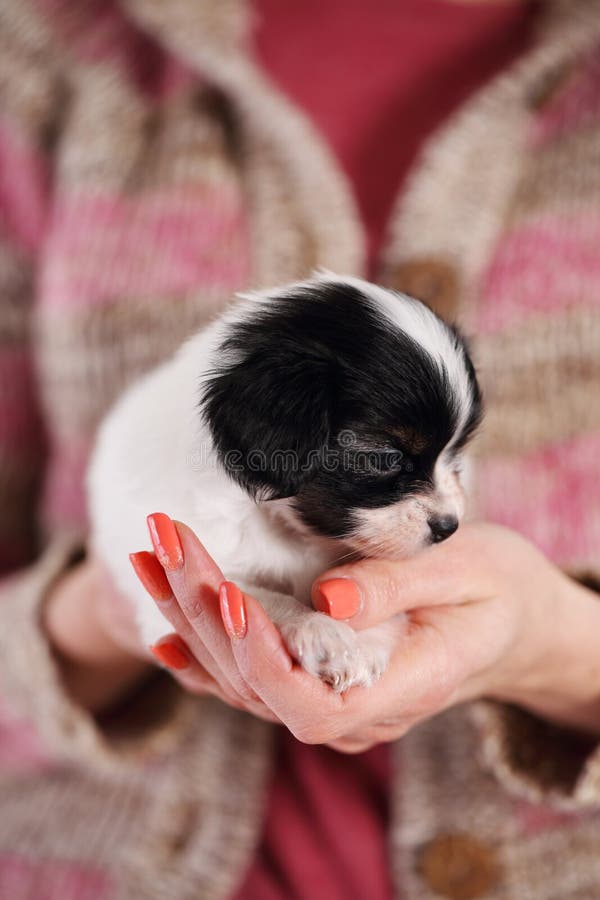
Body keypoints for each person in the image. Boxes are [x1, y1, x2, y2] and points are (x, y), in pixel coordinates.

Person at [1, 0, 599, 897]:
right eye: (388, 459)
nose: (449, 510)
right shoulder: (46, 45)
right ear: (266, 433)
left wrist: (559, 647)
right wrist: (92, 619)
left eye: (453, 461)